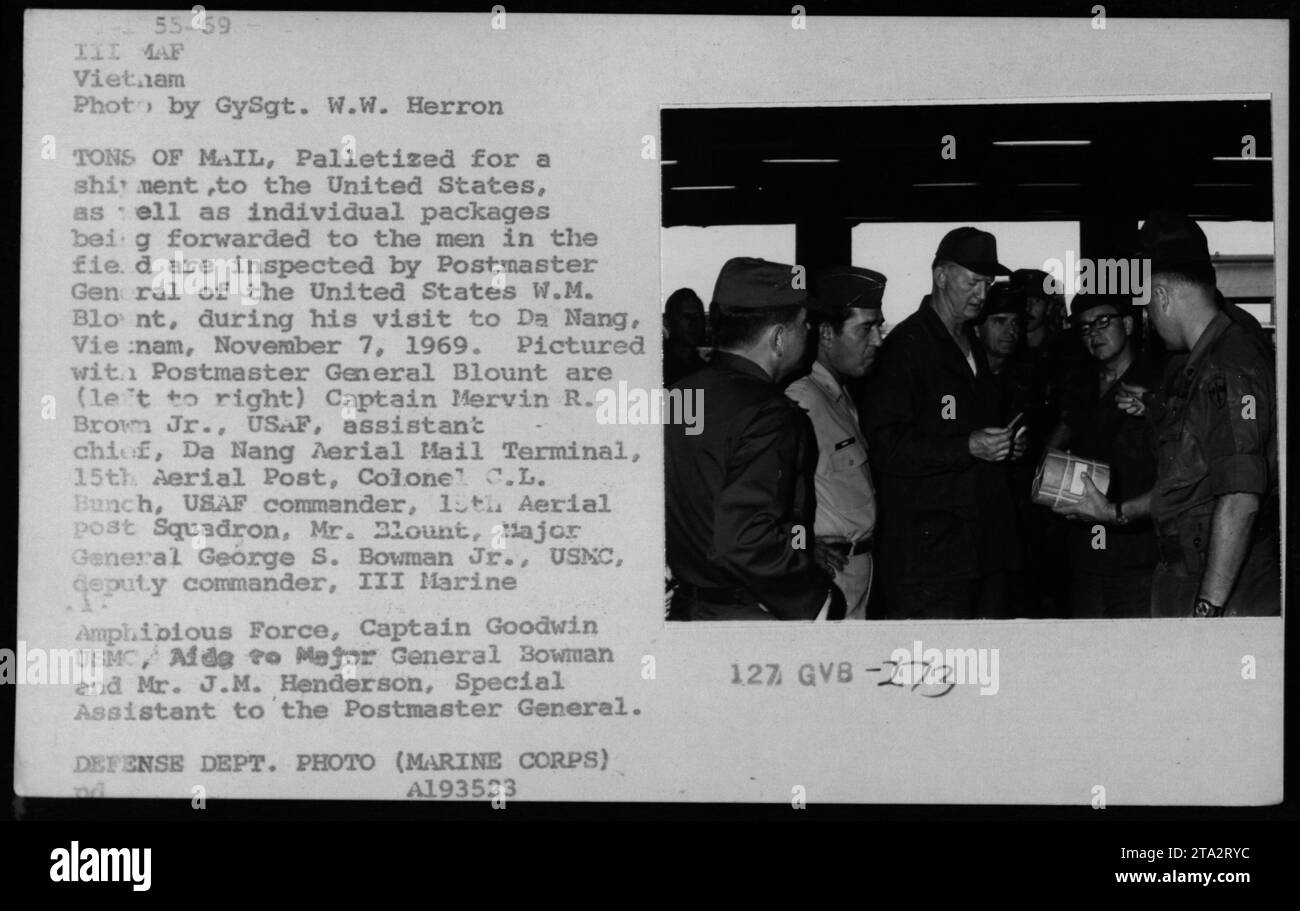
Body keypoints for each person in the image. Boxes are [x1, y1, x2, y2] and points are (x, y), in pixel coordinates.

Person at [1055, 213, 1279, 617]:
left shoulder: (1228, 364)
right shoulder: (1201, 359)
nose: (1150, 322)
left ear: (1160, 295)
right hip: (1192, 571)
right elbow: (1193, 472)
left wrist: (1206, 610)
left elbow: (1240, 499)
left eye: (1146, 309)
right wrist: (1156, 409)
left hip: (1219, 587)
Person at [665, 257, 844, 621]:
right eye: (803, 324)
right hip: (750, 613)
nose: (809, 333)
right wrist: (815, 597)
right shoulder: (770, 414)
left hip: (689, 609)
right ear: (779, 338)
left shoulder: (678, 395)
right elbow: (745, 539)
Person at [862, 228, 1026, 620]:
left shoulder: (972, 342)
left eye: (988, 283)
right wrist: (968, 446)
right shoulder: (906, 348)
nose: (982, 294)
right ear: (940, 276)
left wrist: (1006, 444)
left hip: (984, 545)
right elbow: (886, 447)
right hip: (930, 559)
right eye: (973, 282)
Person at [1046, 292, 1160, 618]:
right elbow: (1061, 438)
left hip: (1137, 552)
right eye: (1084, 328)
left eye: (1103, 322)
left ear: (1127, 323)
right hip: (1085, 551)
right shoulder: (1081, 384)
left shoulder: (1156, 384)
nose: (1093, 334)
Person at [785, 265, 887, 620]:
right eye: (865, 329)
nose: (877, 340)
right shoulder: (803, 400)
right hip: (830, 574)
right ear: (827, 334)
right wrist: (799, 546)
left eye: (879, 326)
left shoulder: (841, 397)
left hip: (858, 568)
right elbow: (765, 492)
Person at [662, 287, 707, 386]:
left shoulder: (705, 371)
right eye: (686, 317)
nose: (694, 323)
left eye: (698, 316)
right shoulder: (655, 368)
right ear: (667, 322)